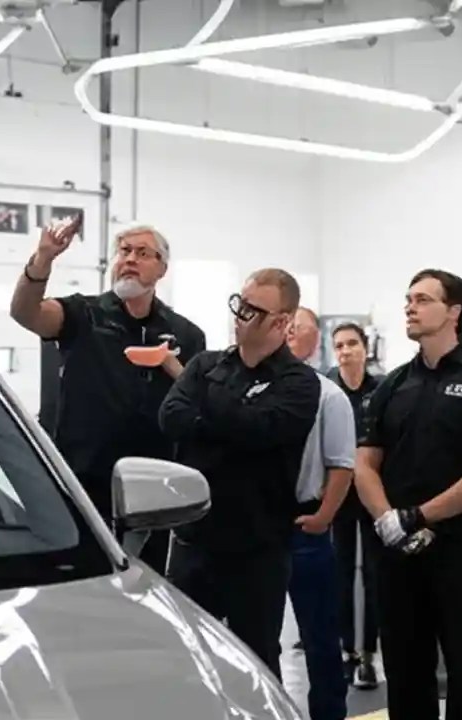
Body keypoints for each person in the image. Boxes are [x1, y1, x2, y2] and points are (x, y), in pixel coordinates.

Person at [353, 268, 462, 720]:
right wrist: (389, 519)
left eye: (423, 299)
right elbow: (365, 462)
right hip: (397, 551)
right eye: (408, 298)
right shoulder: (392, 385)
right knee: (406, 671)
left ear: (454, 312)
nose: (410, 306)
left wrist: (420, 516)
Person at [9, 219, 206, 574]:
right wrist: (43, 259)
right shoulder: (82, 314)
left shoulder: (185, 334)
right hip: (83, 483)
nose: (130, 258)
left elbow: (196, 406)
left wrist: (174, 367)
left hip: (153, 491)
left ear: (162, 268)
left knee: (148, 588)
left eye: (143, 253)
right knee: (85, 582)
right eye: (124, 251)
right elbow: (25, 313)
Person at [158, 268, 322, 680]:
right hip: (194, 539)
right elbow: (171, 417)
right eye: (239, 303)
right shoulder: (206, 364)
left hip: (257, 548)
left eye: (252, 310)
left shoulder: (299, 382)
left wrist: (210, 414)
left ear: (282, 322)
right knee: (187, 659)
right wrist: (230, 421)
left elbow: (263, 431)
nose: (239, 314)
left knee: (256, 662)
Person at [285, 307, 354, 720]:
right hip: (259, 526)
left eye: (297, 330)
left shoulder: (328, 396)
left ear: (314, 340)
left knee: (320, 637)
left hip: (307, 524)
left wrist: (324, 517)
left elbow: (342, 464)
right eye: (283, 327)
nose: (289, 335)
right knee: (257, 636)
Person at [326, 322, 383, 689]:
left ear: (365, 348)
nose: (346, 351)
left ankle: (369, 655)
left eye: (352, 344)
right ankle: (348, 651)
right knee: (341, 573)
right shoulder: (327, 390)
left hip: (375, 490)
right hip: (338, 491)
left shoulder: (383, 390)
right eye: (340, 346)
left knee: (374, 574)